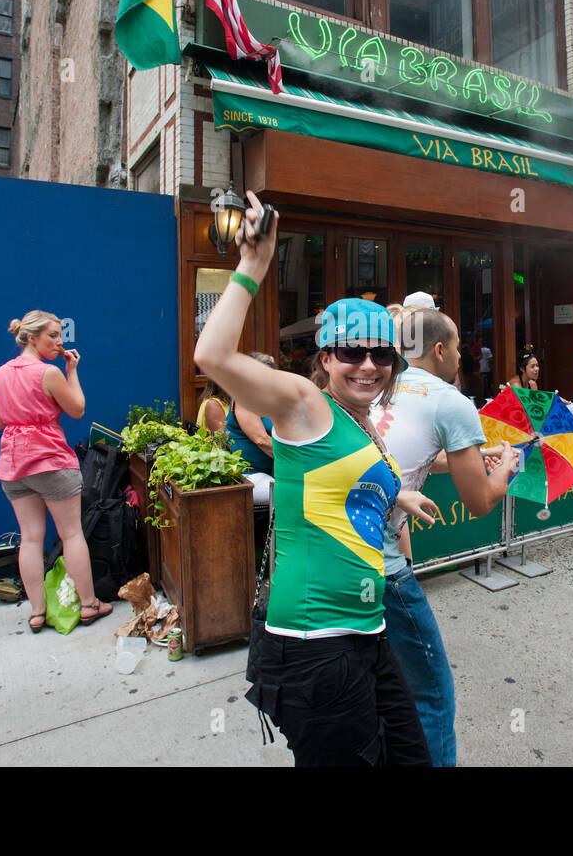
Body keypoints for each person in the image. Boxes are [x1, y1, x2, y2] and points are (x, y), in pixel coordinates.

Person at [194, 191, 438, 766]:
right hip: (315, 646)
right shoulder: (305, 404)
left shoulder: (357, 423)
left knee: (411, 758)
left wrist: (395, 490)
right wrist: (254, 266)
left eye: (381, 354)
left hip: (365, 633)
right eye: (351, 352)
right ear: (324, 358)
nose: (369, 365)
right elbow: (212, 355)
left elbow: (342, 481)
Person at [371, 308, 515, 766]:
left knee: (385, 677)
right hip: (382, 559)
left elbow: (409, 457)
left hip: (345, 553)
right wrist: (505, 469)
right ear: (439, 349)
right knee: (432, 691)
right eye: (458, 347)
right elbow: (479, 502)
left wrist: (471, 454)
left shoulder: (384, 386)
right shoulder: (452, 400)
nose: (462, 355)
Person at [0, 310, 113, 632]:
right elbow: (78, 409)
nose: (59, 342)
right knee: (71, 533)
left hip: (14, 464)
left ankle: (37, 613)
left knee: (29, 539)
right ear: (32, 338)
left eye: (60, 335)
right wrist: (71, 370)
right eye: (52, 336)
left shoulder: (1, 373)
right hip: (51, 460)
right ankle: (88, 605)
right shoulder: (49, 373)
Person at [225, 352, 276, 504]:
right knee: (294, 496)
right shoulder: (244, 398)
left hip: (265, 471)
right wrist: (296, 457)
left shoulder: (264, 398)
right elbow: (261, 440)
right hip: (247, 476)